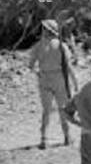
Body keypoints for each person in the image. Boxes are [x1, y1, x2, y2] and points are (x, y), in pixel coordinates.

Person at [27, 19, 74, 149]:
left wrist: (39, 73)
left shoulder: (37, 46)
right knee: (62, 109)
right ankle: (67, 136)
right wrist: (75, 82)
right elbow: (68, 67)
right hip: (59, 78)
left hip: (44, 79)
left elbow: (31, 66)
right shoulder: (61, 46)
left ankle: (44, 139)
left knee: (46, 111)